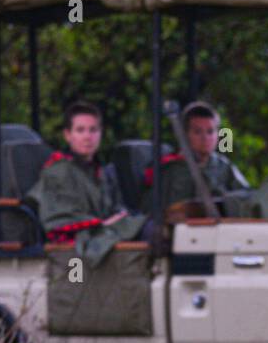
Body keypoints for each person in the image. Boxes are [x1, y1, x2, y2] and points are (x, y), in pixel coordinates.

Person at [27, 101, 144, 263]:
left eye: (93, 130)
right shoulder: (58, 172)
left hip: (110, 232)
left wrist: (120, 216)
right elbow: (61, 217)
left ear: (100, 133)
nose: (88, 136)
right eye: (80, 130)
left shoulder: (102, 171)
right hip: (81, 244)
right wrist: (103, 223)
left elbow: (116, 206)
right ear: (68, 135)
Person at [143, 101, 252, 216]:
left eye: (210, 131)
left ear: (218, 136)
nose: (205, 138)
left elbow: (246, 197)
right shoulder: (170, 169)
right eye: (197, 132)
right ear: (185, 135)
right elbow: (150, 212)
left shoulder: (224, 167)